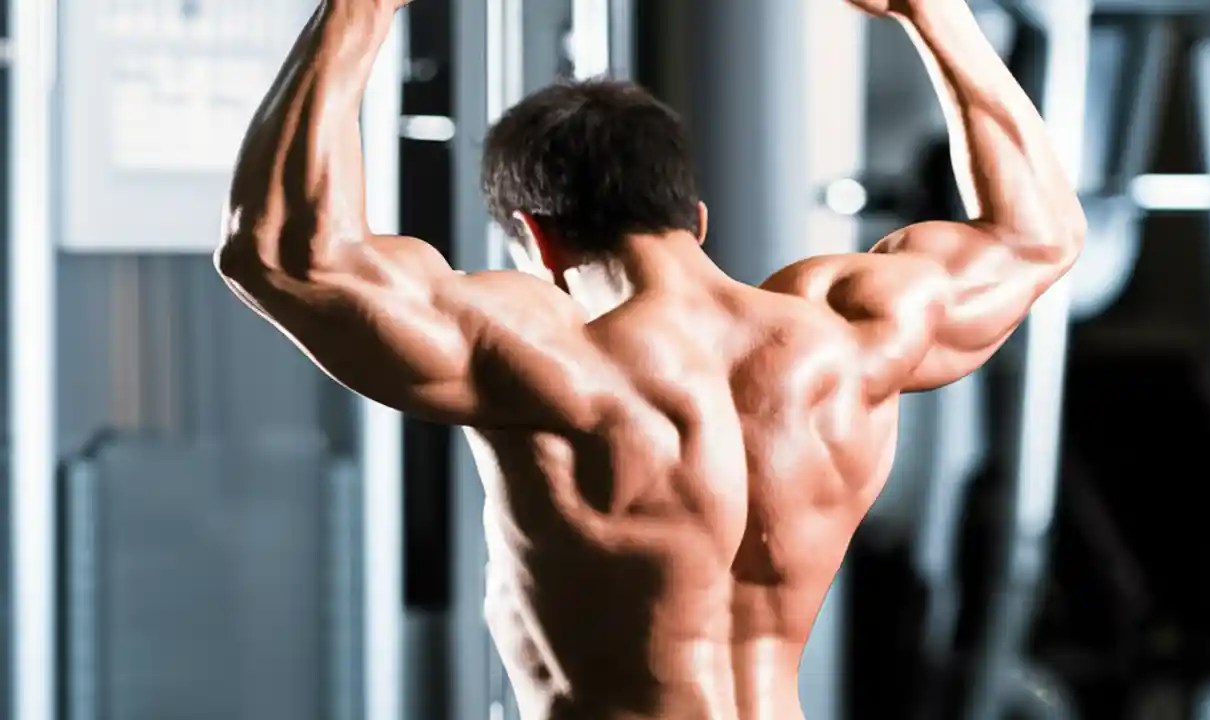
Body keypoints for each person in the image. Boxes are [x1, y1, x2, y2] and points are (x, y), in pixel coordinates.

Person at [215, 0, 1085, 716]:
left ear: (538, 239)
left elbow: (282, 252)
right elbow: (1037, 235)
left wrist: (361, 11)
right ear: (694, 218)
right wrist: (933, 15)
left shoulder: (551, 359)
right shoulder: (843, 341)